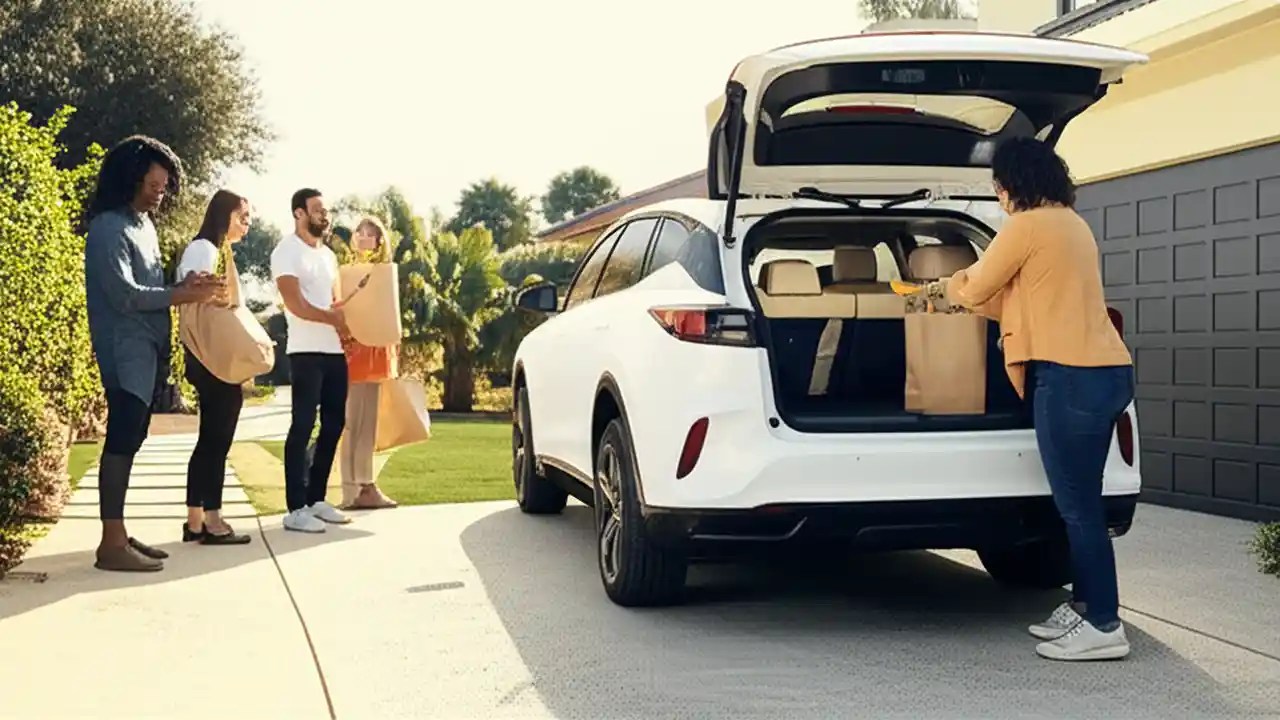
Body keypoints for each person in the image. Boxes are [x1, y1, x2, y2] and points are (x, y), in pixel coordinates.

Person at [944, 137, 1135, 662]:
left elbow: (981, 283)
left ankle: (1103, 625)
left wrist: (942, 288)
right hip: (1105, 372)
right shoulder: (1071, 223)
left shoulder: (1025, 226)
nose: (999, 196)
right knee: (1083, 503)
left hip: (1071, 376)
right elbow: (1026, 300)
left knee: (1078, 509)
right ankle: (1084, 604)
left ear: (1014, 184)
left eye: (999, 186)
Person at [83, 135, 225, 572]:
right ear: (130, 177)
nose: (160, 192)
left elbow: (153, 287)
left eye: (164, 186)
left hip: (147, 350)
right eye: (154, 185)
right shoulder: (108, 226)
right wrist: (182, 294)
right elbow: (125, 295)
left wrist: (189, 287)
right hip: (124, 349)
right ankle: (110, 543)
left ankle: (120, 532)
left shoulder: (142, 225)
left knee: (135, 435)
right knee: (122, 439)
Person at [175, 190, 255, 545]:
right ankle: (213, 520)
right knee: (217, 440)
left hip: (208, 358)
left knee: (209, 439)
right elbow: (198, 294)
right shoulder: (205, 249)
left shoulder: (214, 250)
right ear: (225, 215)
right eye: (243, 216)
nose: (247, 223)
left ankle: (195, 521)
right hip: (212, 359)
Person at [271, 188, 353, 533]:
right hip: (305, 352)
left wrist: (346, 322)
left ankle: (317, 499)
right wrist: (331, 319)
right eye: (317, 209)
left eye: (326, 210)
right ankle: (295, 508)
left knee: (334, 424)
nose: (325, 215)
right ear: (298, 213)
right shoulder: (285, 252)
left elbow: (335, 302)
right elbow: (295, 304)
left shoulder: (328, 256)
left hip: (334, 351)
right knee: (302, 425)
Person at [339, 217, 400, 510]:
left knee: (368, 425)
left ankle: (365, 485)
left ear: (379, 240)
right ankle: (351, 489)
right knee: (351, 423)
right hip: (353, 353)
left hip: (376, 352)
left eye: (371, 234)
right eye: (360, 232)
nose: (364, 237)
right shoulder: (345, 272)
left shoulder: (385, 273)